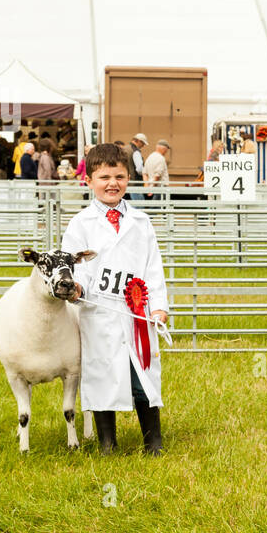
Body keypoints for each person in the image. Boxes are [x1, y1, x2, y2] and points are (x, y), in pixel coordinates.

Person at [62, 142, 170, 456]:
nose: (113, 183)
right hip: (100, 312)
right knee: (102, 374)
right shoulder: (80, 224)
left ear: (128, 179)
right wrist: (77, 289)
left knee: (143, 375)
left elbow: (153, 266)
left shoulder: (141, 222)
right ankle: (107, 444)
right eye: (105, 177)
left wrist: (158, 306)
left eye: (119, 177)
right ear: (89, 181)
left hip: (137, 313)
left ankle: (153, 442)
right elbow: (76, 266)